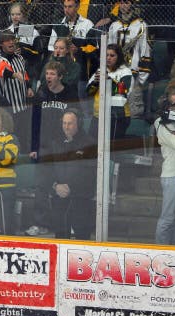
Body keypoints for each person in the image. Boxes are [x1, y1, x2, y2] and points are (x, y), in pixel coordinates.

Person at [29, 60, 78, 236]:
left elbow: (75, 122)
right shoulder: (40, 94)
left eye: (52, 74)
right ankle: (40, 224)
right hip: (44, 147)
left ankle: (69, 223)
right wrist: (33, 147)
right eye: (47, 73)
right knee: (41, 185)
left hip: (64, 148)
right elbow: (34, 122)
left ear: (60, 77)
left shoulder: (70, 94)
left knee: (65, 185)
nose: (48, 77)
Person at [50, 109, 97, 239]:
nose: (66, 127)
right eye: (64, 123)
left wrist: (71, 187)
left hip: (81, 197)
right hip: (60, 195)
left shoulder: (89, 143)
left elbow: (90, 173)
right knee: (60, 235)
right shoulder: (56, 143)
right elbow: (50, 169)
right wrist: (55, 186)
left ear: (79, 123)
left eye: (70, 123)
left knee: (82, 236)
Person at [87, 44, 131, 143]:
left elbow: (123, 93)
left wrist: (108, 80)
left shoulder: (126, 72)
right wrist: (96, 83)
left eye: (112, 55)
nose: (108, 58)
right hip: (98, 115)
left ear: (118, 57)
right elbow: (88, 92)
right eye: (106, 55)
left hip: (118, 116)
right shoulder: (100, 70)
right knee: (92, 145)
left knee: (112, 148)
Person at [154, 86, 175, 245]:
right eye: (174, 104)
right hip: (171, 176)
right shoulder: (160, 123)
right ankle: (160, 252)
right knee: (167, 218)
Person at [0, 31, 33, 147]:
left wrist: (29, 87)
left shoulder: (20, 58)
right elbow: (3, 70)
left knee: (23, 135)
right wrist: (14, 75)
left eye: (13, 40)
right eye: (8, 40)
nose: (11, 42)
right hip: (8, 107)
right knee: (10, 137)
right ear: (1, 44)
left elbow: (25, 74)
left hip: (22, 104)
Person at [36, 37, 80, 101]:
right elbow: (43, 80)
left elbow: (71, 83)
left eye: (61, 48)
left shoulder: (74, 66)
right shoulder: (48, 64)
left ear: (67, 50)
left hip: (67, 98)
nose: (58, 50)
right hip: (48, 97)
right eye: (56, 48)